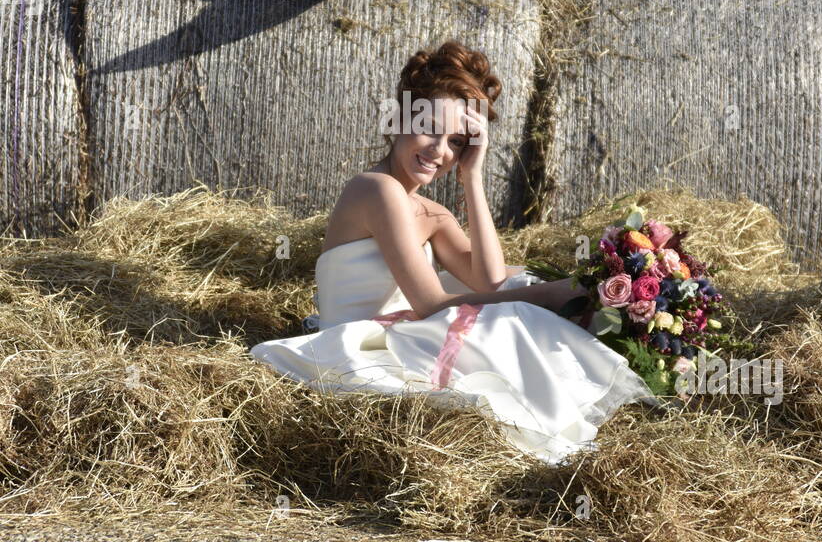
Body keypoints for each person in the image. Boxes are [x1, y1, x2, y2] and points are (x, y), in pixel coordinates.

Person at [250, 42, 658, 465]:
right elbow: (430, 304)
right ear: (399, 120)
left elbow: (489, 280)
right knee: (519, 312)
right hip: (359, 344)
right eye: (429, 129)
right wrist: (548, 296)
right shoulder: (376, 189)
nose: (439, 151)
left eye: (457, 142)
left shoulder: (432, 212)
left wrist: (473, 176)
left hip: (399, 329)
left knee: (519, 286)